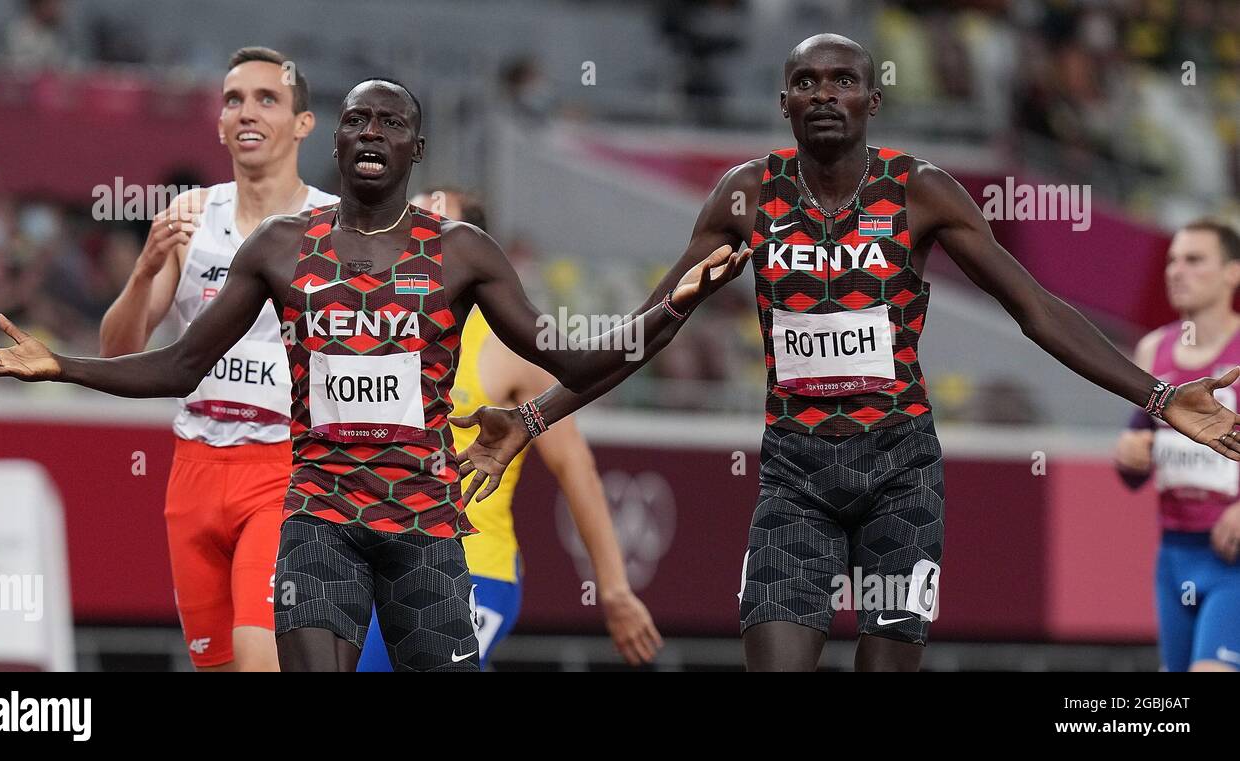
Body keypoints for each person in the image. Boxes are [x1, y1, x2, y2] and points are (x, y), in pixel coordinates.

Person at [454, 33, 1240, 672]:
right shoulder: (746, 195)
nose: (824, 93)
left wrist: (1161, 397)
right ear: (783, 100)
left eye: (841, 81)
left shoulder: (921, 191)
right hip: (795, 472)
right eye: (806, 81)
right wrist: (533, 414)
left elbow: (1032, 308)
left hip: (901, 472)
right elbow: (647, 330)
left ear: (872, 98)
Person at [0, 78, 749, 671]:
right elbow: (182, 364)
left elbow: (572, 359)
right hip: (319, 525)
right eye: (357, 119)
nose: (372, 131)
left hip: (426, 533)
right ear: (335, 143)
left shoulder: (461, 251)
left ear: (416, 148)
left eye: (392, 121)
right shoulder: (279, 248)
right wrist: (62, 364)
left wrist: (672, 300)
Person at [95, 46, 336, 672]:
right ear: (220, 123)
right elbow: (119, 351)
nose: (247, 111)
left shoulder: (335, 228)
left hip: (286, 469)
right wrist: (145, 269)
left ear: (303, 123)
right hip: (195, 469)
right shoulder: (188, 217)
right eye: (234, 100)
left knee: (262, 657)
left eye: (267, 99)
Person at [356, 187, 662, 671]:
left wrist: (615, 590)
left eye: (433, 220)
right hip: (378, 556)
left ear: (469, 245)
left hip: (475, 567)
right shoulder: (370, 329)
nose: (413, 231)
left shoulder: (506, 344)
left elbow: (575, 468)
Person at [1114, 219, 1240, 672]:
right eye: (1171, 260)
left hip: (1233, 560)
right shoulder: (1153, 351)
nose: (1176, 271)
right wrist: (1128, 456)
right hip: (1173, 557)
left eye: (1194, 260)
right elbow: (1137, 453)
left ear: (1233, 272)